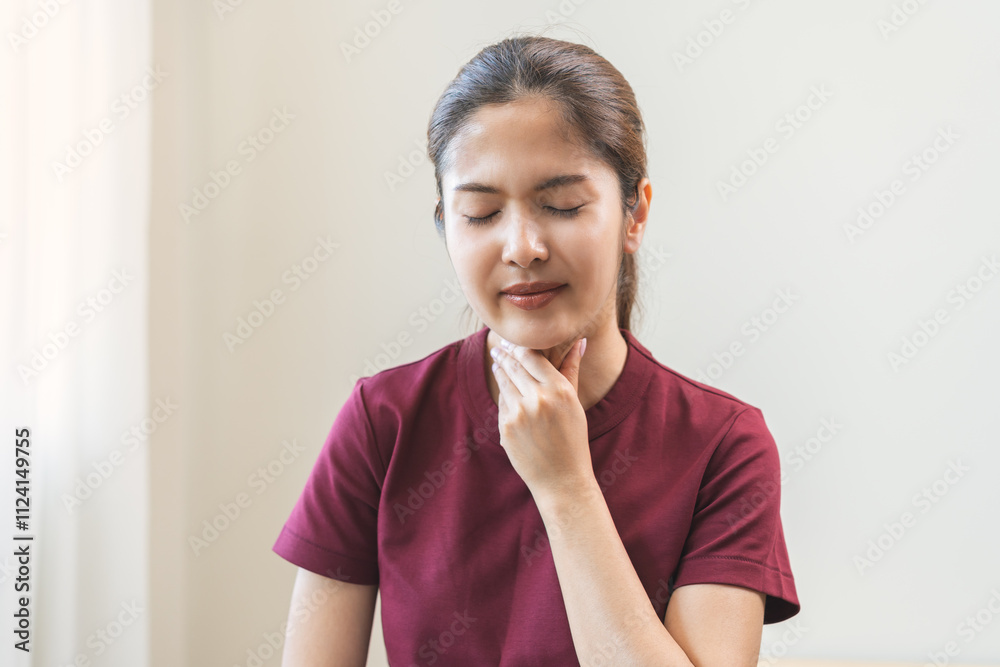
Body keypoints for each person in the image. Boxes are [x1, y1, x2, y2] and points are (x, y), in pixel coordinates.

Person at [273, 34, 799, 666]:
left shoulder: (723, 445)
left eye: (561, 205)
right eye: (480, 213)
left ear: (635, 215)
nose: (521, 246)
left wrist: (567, 489)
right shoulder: (382, 420)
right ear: (447, 225)